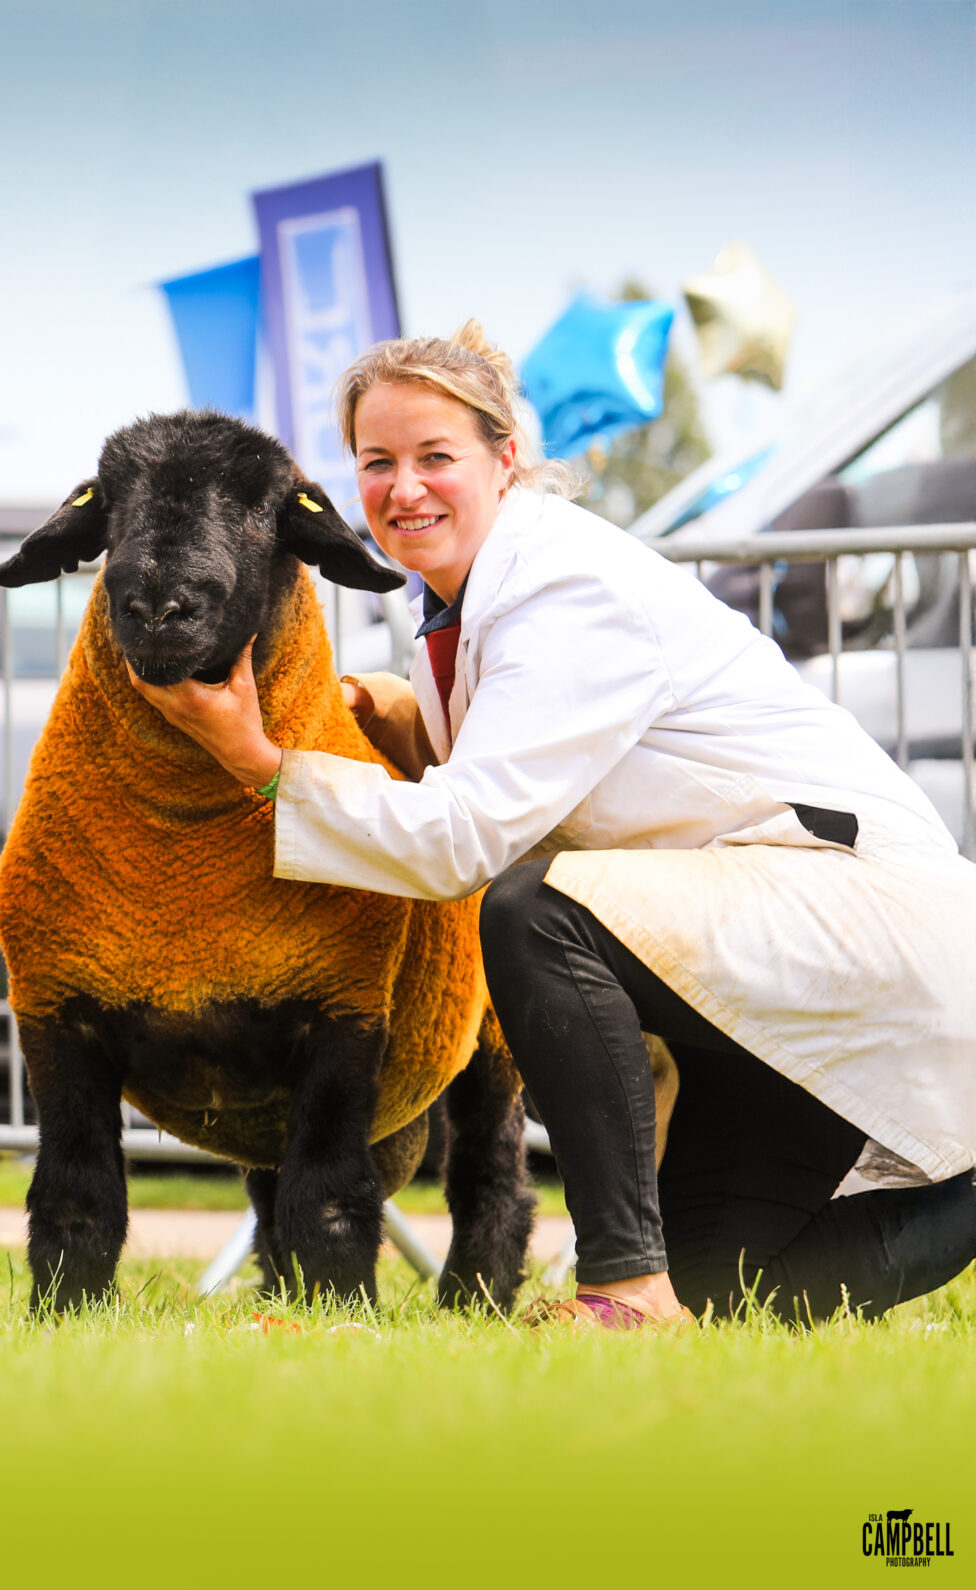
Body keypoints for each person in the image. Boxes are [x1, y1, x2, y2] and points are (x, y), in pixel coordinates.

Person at [131, 322, 976, 1329]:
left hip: (852, 919)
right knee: (723, 1288)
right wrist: (398, 716)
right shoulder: (464, 598)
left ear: (506, 460)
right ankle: (674, 1288)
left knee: (537, 912)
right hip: (763, 951)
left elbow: (463, 842)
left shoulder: (567, 587)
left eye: (436, 456)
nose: (404, 487)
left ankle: (621, 1290)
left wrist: (259, 764)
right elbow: (531, 770)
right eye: (377, 461)